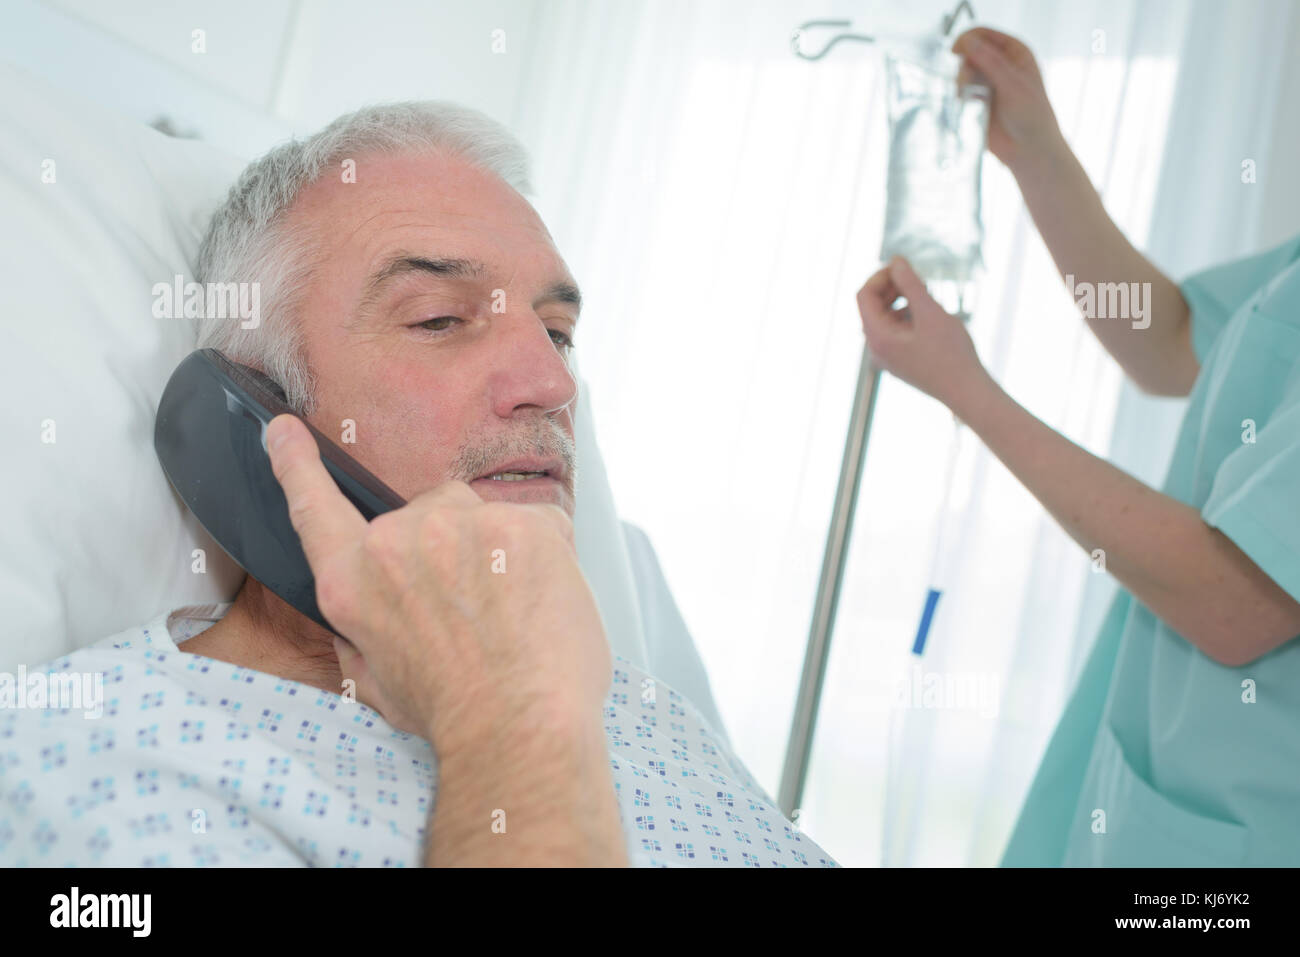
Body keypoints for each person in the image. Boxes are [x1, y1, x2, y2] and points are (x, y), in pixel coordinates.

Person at [0, 103, 838, 868]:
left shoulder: (644, 709)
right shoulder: (93, 768)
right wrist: (509, 722)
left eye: (557, 332)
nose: (553, 384)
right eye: (440, 318)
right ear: (254, 421)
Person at [855, 27, 1300, 865]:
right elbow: (1166, 339)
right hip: (1165, 796)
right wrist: (1038, 152)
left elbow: (1237, 599)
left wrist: (968, 392)